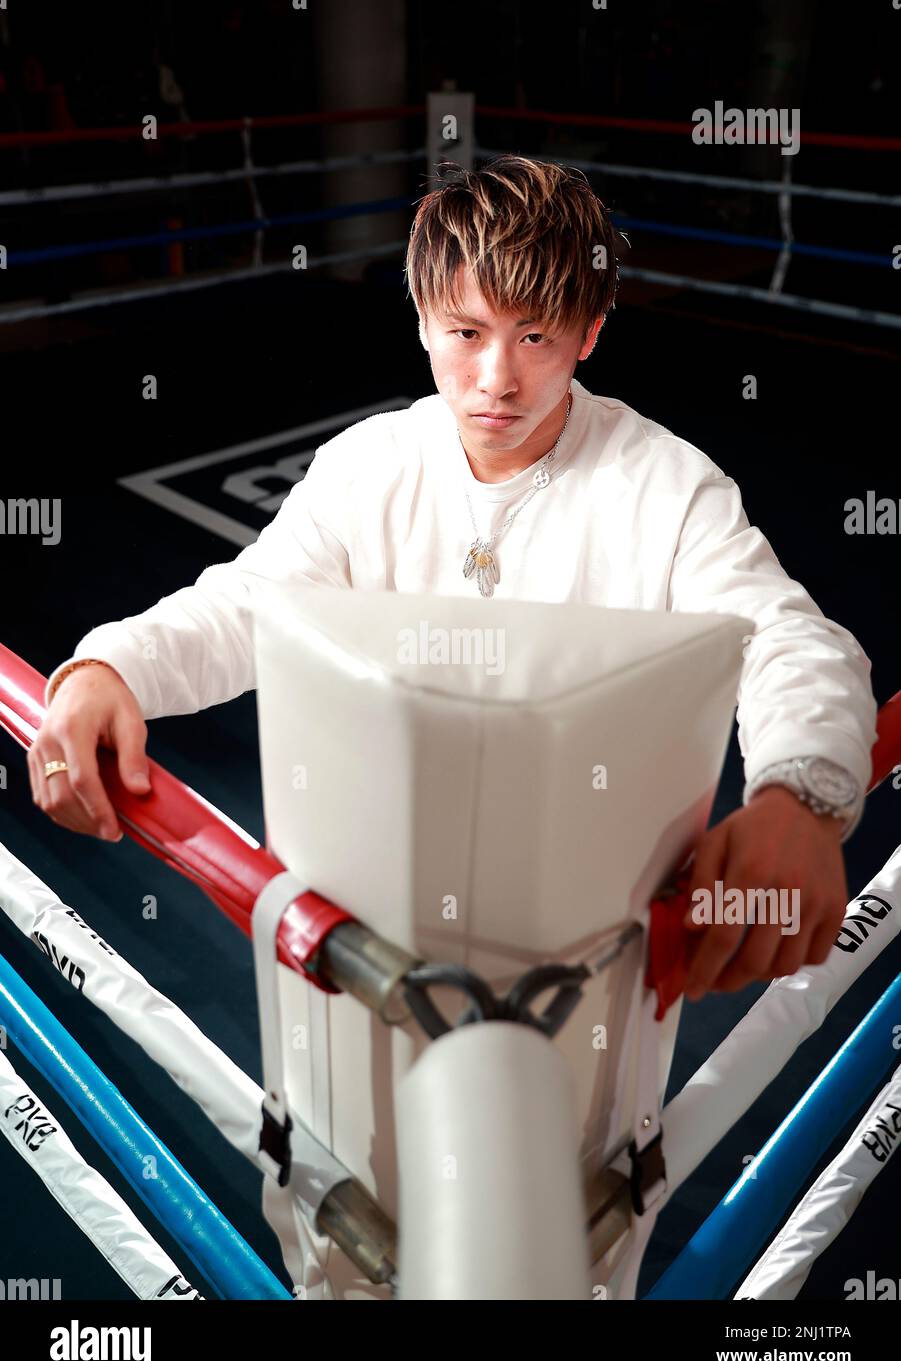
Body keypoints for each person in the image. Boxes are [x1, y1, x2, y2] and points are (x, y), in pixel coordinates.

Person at [29, 155, 877, 1003]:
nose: (496, 380)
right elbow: (254, 604)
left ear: (589, 332)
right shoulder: (368, 466)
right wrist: (113, 667)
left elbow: (786, 637)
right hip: (375, 902)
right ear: (425, 323)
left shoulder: (664, 485)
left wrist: (798, 797)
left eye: (536, 336)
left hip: (585, 926)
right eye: (467, 332)